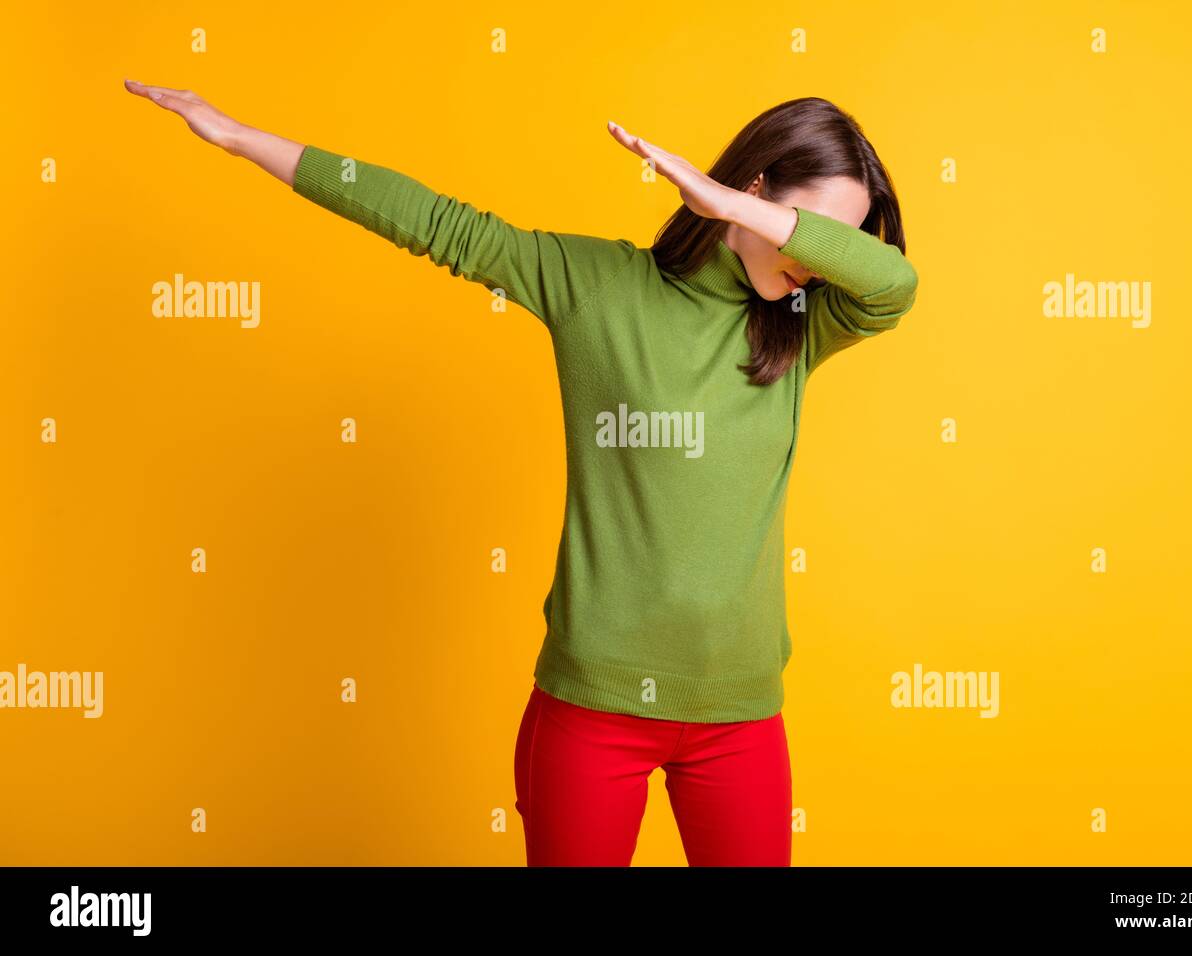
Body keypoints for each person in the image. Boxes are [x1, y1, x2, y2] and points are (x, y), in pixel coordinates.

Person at [124, 80, 919, 866]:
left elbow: (895, 284)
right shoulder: (594, 287)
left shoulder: (802, 325)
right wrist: (239, 138)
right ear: (752, 185)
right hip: (591, 714)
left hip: (742, 721)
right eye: (805, 230)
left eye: (825, 243)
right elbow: (432, 221)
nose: (817, 265)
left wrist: (748, 216)